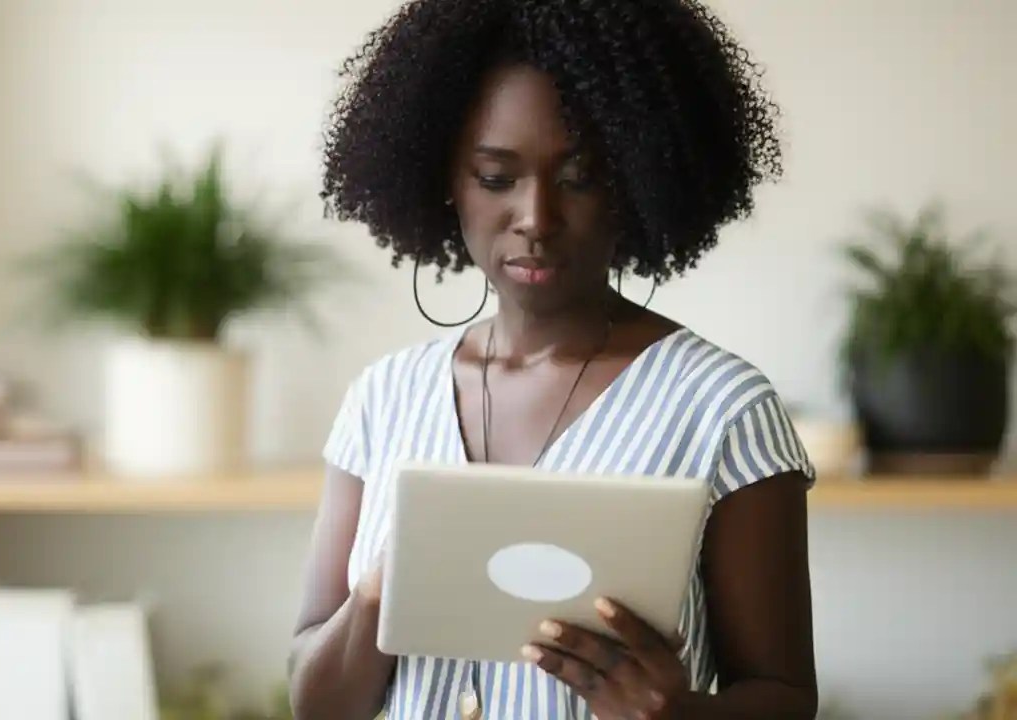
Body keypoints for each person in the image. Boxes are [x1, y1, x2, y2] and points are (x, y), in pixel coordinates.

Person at [287, 0, 817, 718]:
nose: (536, 218)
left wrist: (678, 714)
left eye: (579, 177)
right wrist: (381, 591)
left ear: (636, 180)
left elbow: (785, 699)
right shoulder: (384, 398)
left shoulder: (722, 407)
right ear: (446, 180)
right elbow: (315, 702)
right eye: (496, 177)